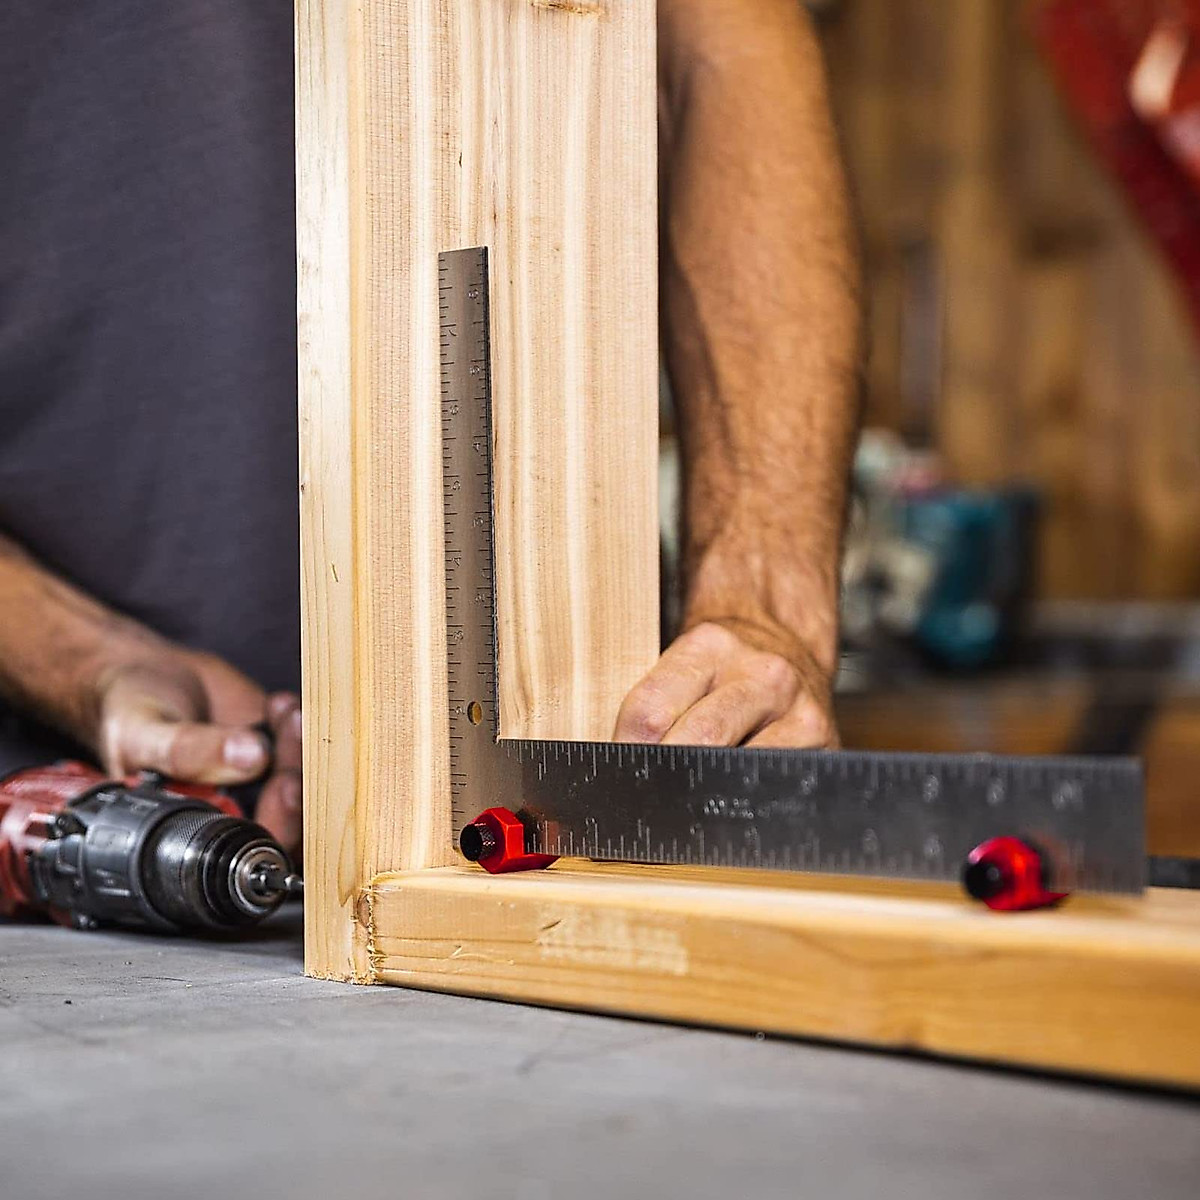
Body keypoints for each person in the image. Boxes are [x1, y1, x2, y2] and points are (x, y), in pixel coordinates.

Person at [0, 0, 861, 858]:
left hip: (593, 768)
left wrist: (761, 606)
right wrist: (81, 659)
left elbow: (724, 36)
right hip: (72, 809)